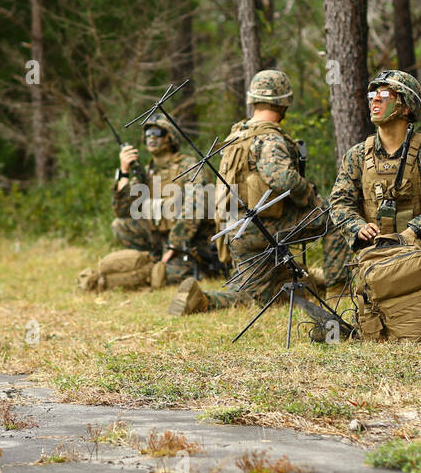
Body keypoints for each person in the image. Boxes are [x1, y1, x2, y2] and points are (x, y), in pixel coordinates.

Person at [170, 69, 350, 315]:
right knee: (335, 216)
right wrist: (309, 194)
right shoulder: (269, 138)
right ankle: (341, 292)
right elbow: (283, 178)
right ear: (284, 102)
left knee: (254, 296)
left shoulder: (236, 136)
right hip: (264, 228)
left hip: (235, 231)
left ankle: (202, 301)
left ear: (253, 99)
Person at [328, 69, 421, 310]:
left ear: (405, 106)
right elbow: (339, 203)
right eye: (372, 95)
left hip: (419, 244)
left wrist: (416, 229)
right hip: (377, 245)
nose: (375, 100)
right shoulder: (358, 156)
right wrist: (358, 227)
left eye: (385, 94)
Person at [111, 116, 217, 285]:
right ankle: (153, 263)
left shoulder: (189, 166)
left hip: (192, 243)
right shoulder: (147, 173)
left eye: (157, 132)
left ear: (170, 137)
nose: (151, 137)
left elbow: (194, 210)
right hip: (161, 240)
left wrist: (174, 245)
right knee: (120, 225)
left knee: (167, 275)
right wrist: (124, 172)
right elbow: (122, 210)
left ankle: (172, 267)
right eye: (147, 133)